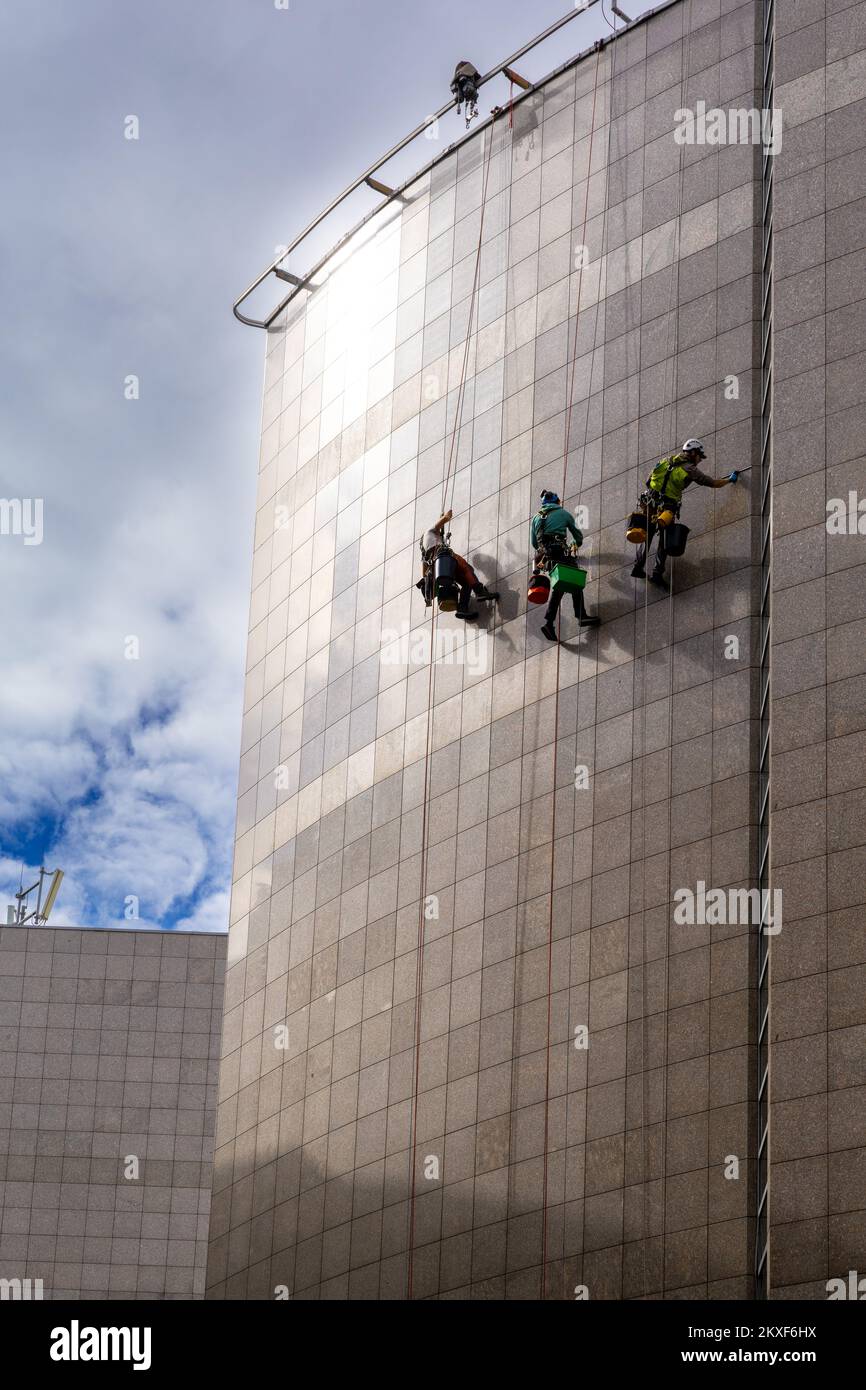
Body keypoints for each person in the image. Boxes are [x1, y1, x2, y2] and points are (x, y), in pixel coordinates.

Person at [632, 439, 738, 589]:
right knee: (665, 539)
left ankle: (638, 566)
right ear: (693, 453)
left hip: (649, 501)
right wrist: (729, 480)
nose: (700, 460)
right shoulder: (690, 469)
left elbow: (648, 481)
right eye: (699, 456)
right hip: (666, 508)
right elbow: (710, 482)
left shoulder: (666, 460)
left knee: (647, 533)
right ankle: (657, 574)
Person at [530, 490, 601, 642]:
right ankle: (579, 616)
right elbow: (578, 537)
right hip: (560, 552)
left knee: (560, 584)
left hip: (546, 557)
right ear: (557, 502)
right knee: (573, 578)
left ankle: (550, 622)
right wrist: (575, 544)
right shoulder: (563, 514)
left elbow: (534, 543)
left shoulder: (536, 518)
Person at [417, 509, 498, 620]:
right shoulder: (429, 531)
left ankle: (462, 609)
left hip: (439, 568)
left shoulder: (424, 552)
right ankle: (479, 591)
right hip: (444, 558)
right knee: (466, 568)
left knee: (466, 582)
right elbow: (446, 518)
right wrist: (446, 515)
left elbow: (424, 574)